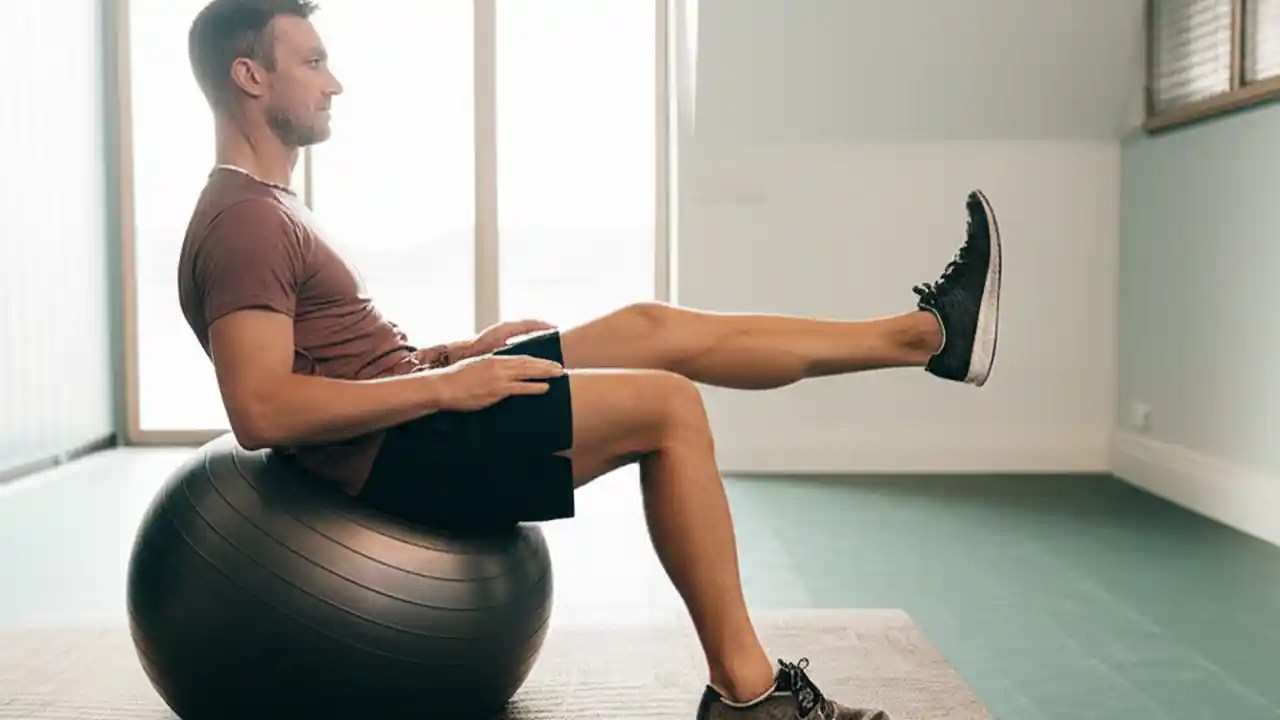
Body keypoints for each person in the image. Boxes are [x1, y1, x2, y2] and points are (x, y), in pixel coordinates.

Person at [177, 2, 1001, 718]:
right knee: (666, 404)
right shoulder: (244, 221)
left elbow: (337, 361)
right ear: (251, 76)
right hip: (398, 456)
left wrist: (459, 352)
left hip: (415, 407)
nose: (335, 82)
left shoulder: (273, 205)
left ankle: (924, 335)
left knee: (650, 325)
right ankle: (749, 695)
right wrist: (444, 387)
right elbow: (264, 411)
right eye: (313, 62)